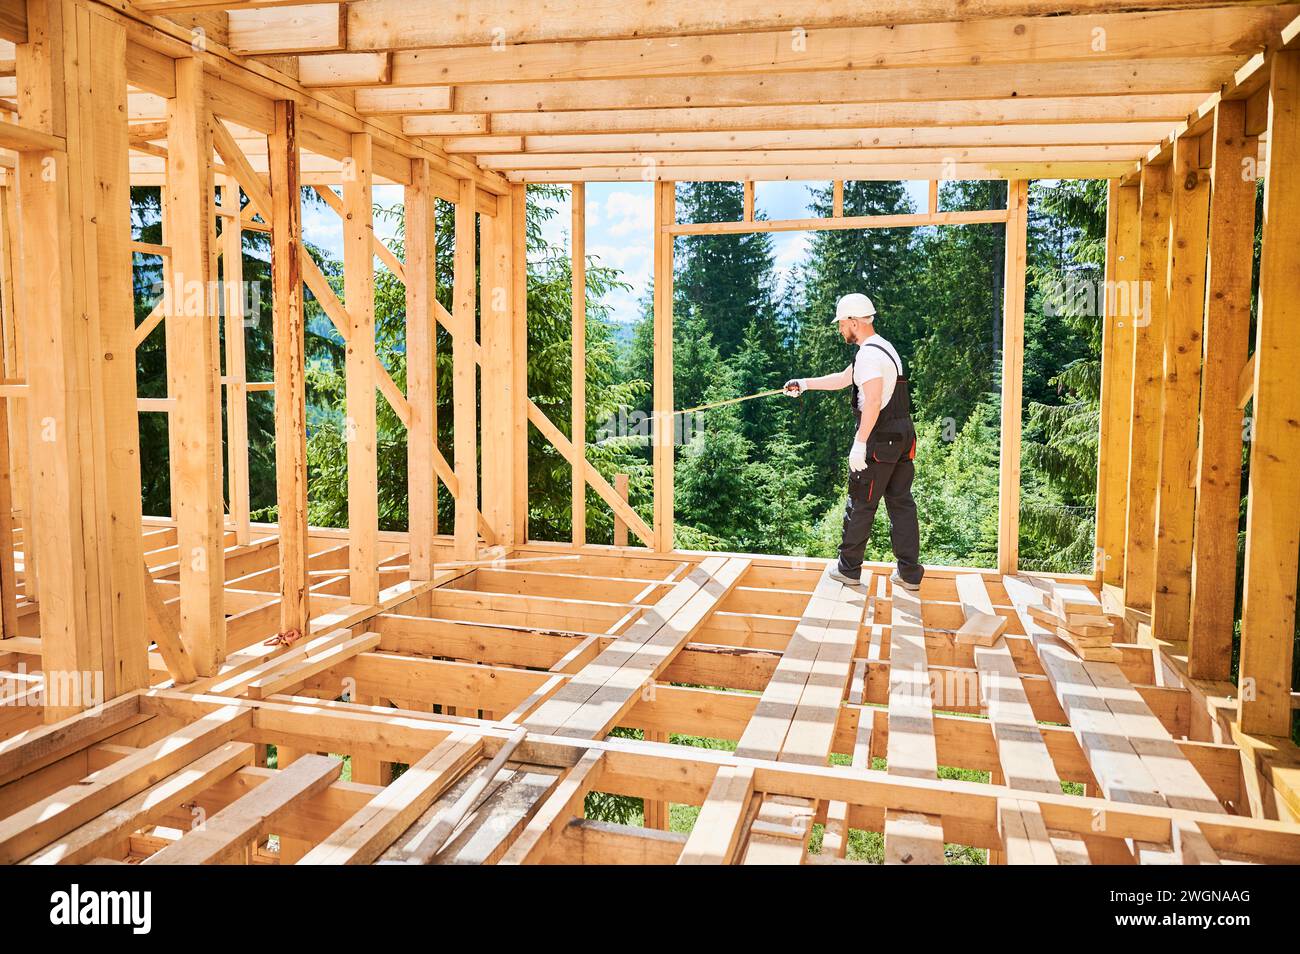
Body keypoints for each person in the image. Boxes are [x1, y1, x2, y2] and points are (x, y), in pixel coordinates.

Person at [785, 292, 924, 591]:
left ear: (854, 322)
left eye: (841, 323)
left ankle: (848, 569)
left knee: (861, 501)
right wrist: (805, 384)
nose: (839, 329)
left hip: (880, 439)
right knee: (901, 504)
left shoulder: (870, 355)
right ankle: (910, 574)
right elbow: (845, 378)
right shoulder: (881, 348)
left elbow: (872, 402)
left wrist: (860, 444)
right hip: (902, 436)